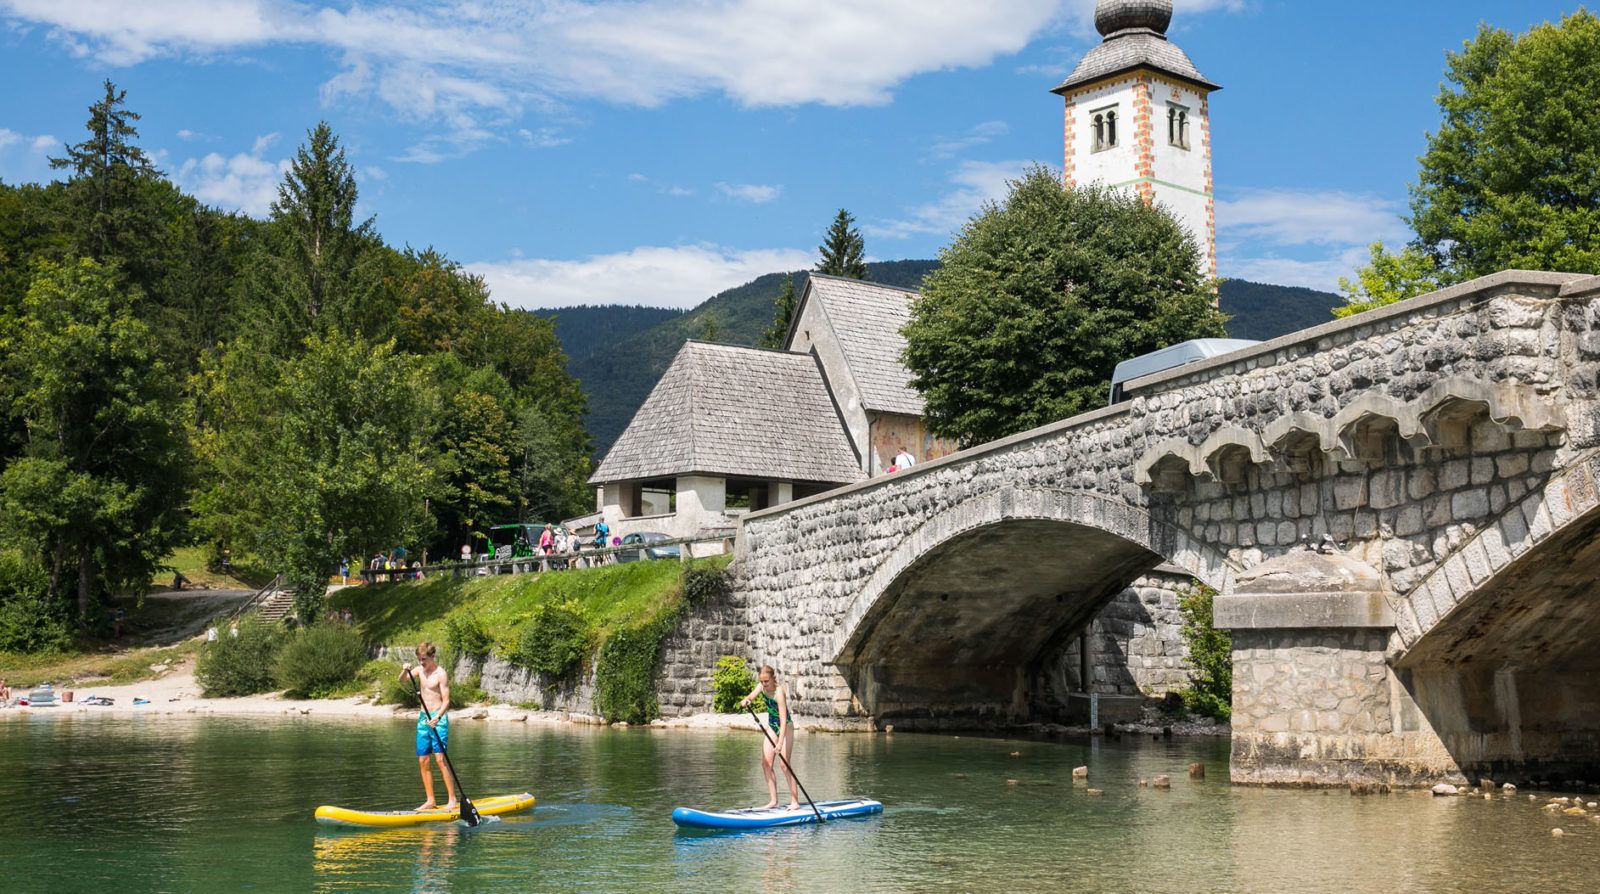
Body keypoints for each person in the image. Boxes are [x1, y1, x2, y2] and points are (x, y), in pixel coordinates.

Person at [400, 642, 457, 812]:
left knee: (440, 759)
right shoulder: (418, 670)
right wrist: (405, 670)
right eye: (419, 659)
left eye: (424, 659)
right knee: (423, 759)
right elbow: (402, 680)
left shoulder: (441, 674)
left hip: (438, 718)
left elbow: (446, 701)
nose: (421, 662)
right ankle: (430, 800)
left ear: (432, 656)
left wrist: (438, 717)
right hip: (423, 719)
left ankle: (452, 799)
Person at [738, 665, 800, 810]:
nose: (764, 684)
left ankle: (795, 802)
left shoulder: (779, 693)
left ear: (773, 679)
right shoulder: (761, 686)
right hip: (772, 726)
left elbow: (784, 720)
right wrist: (746, 700)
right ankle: (774, 801)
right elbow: (750, 697)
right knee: (766, 763)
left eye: (766, 681)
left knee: (784, 765)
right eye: (762, 681)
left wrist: (779, 743)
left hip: (786, 727)